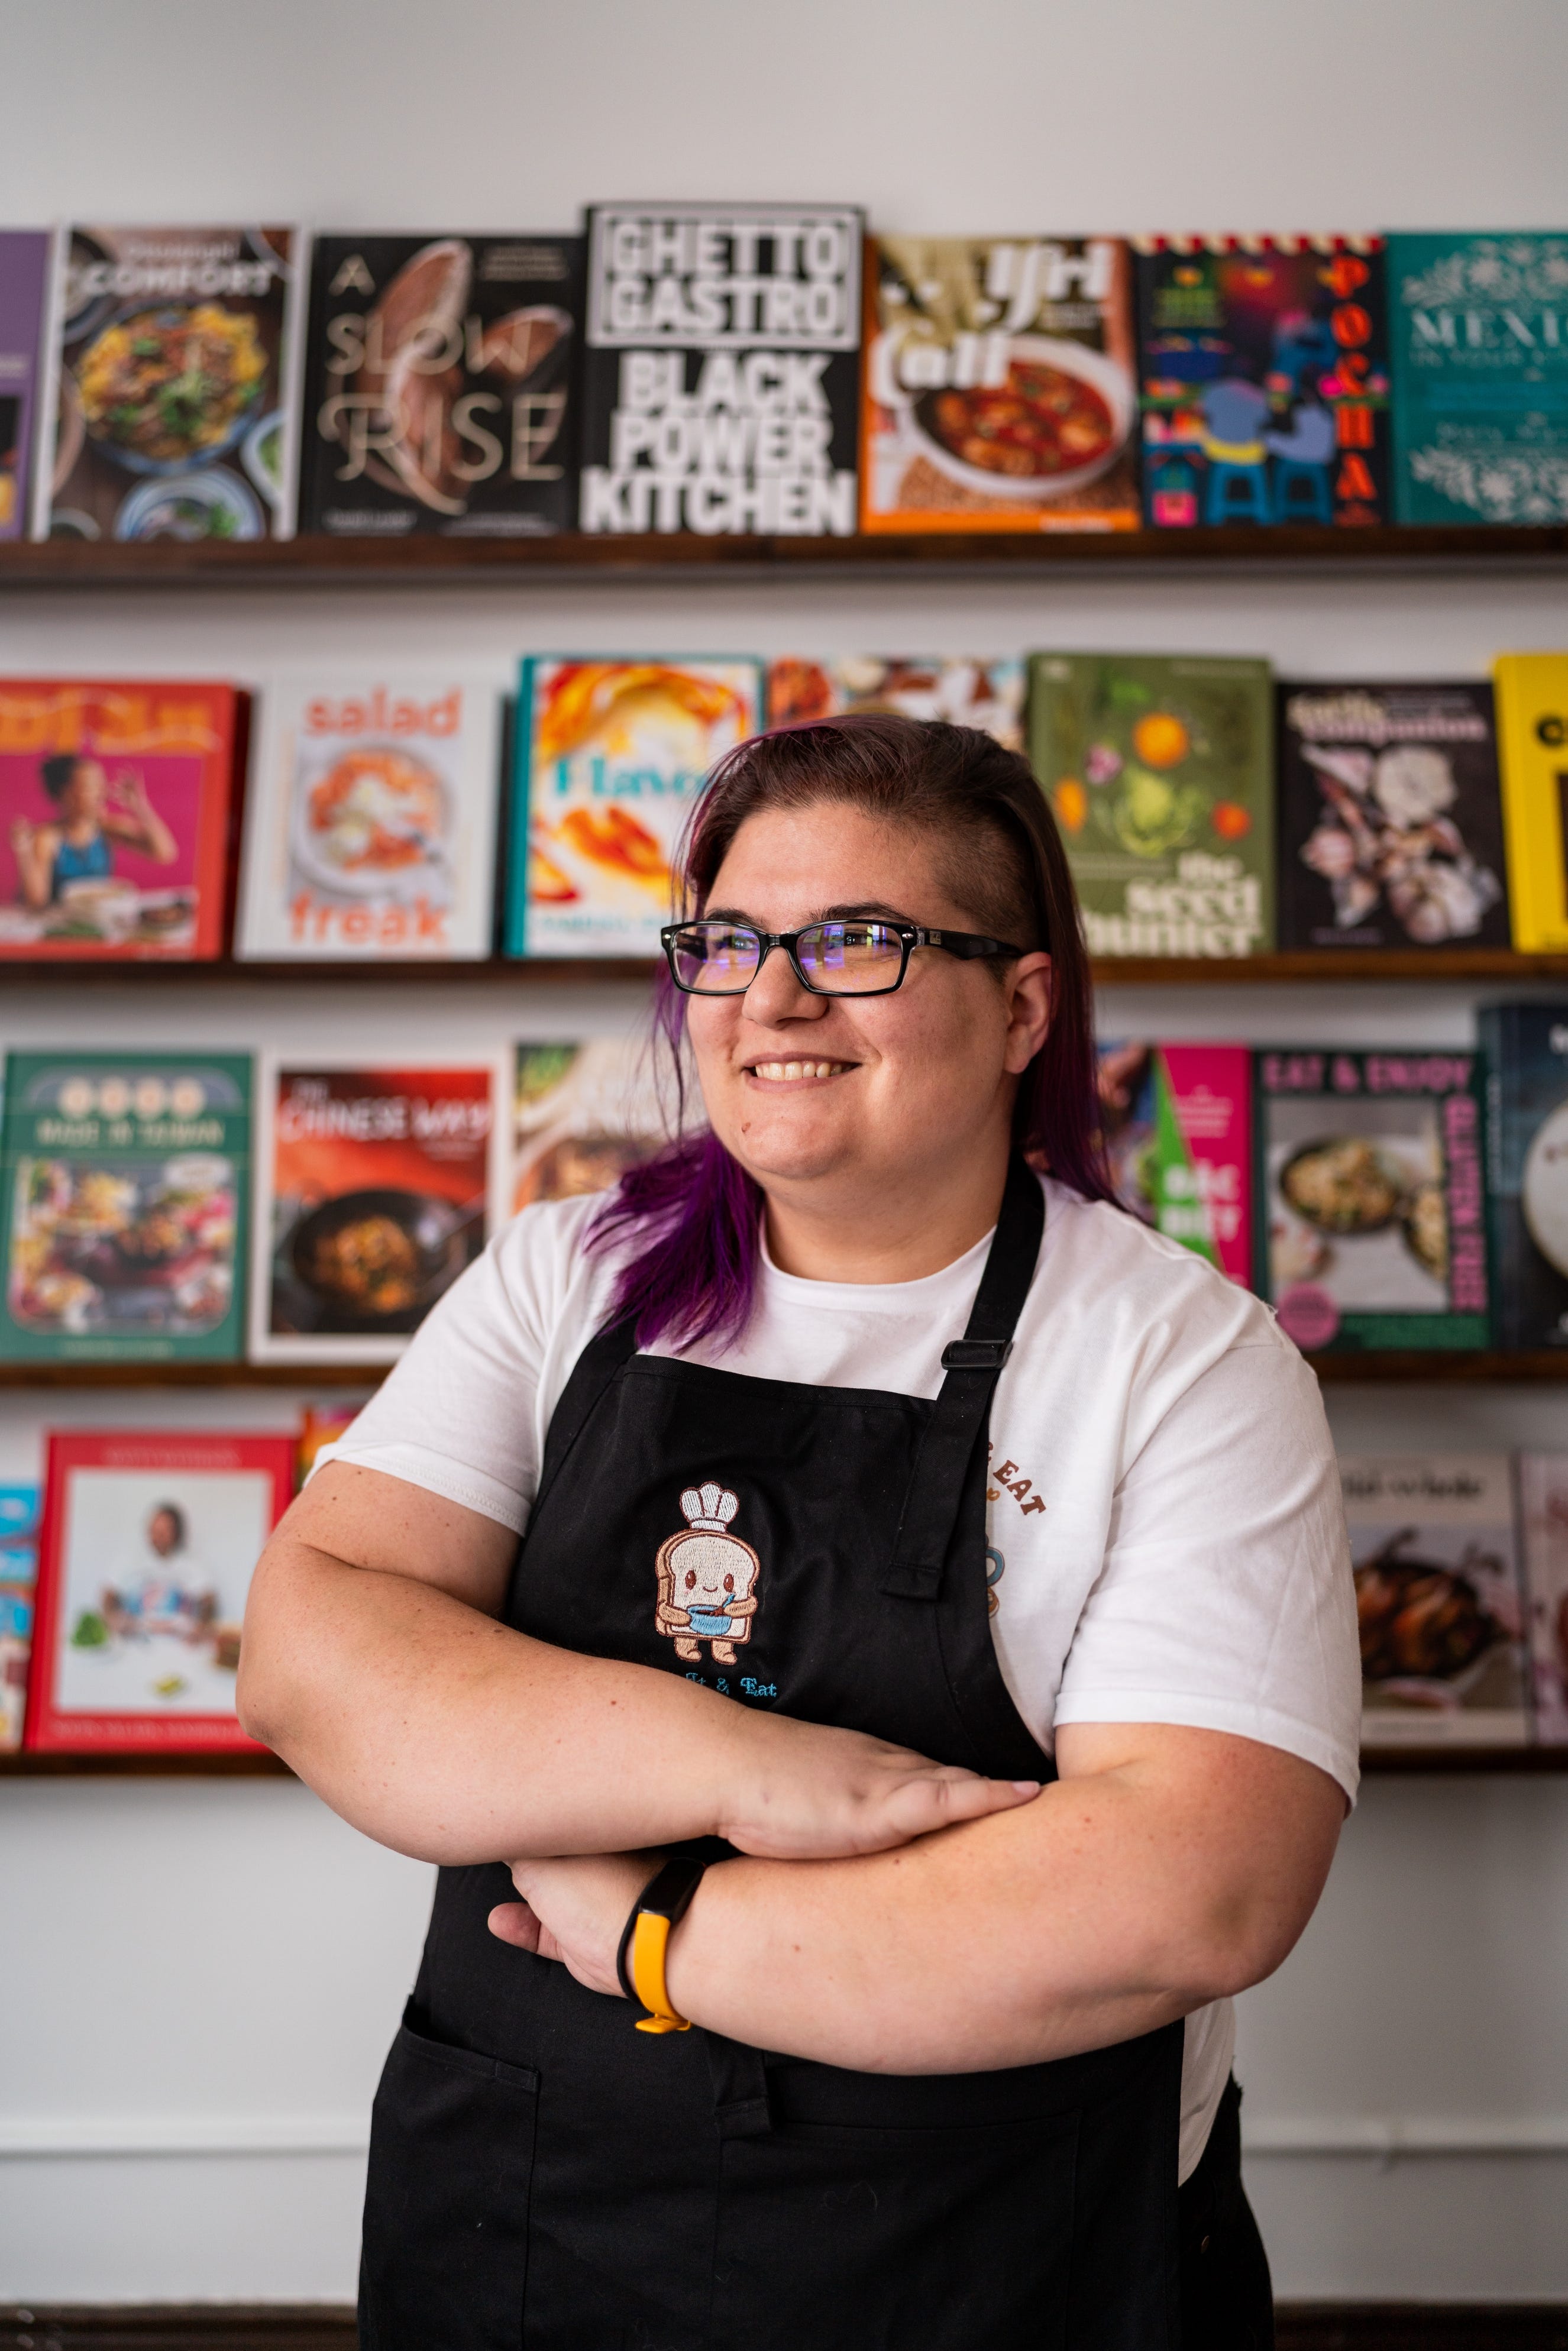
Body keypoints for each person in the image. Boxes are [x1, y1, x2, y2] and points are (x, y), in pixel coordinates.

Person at [240, 713, 1359, 2351]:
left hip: (994, 2249)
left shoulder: (1179, 1355)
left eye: (859, 941)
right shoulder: (570, 1271)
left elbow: (1189, 1890)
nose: (770, 996)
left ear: (1020, 1008)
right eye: (727, 942)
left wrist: (648, 1926)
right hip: (535, 2214)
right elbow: (312, 1654)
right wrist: (751, 1771)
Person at [9, 752, 177, 910]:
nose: (103, 793)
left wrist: (140, 806)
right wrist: (24, 853)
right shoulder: (48, 837)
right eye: (92, 787)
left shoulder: (107, 829)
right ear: (66, 794)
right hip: (60, 925)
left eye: (102, 785)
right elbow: (36, 902)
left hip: (95, 919)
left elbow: (164, 853)